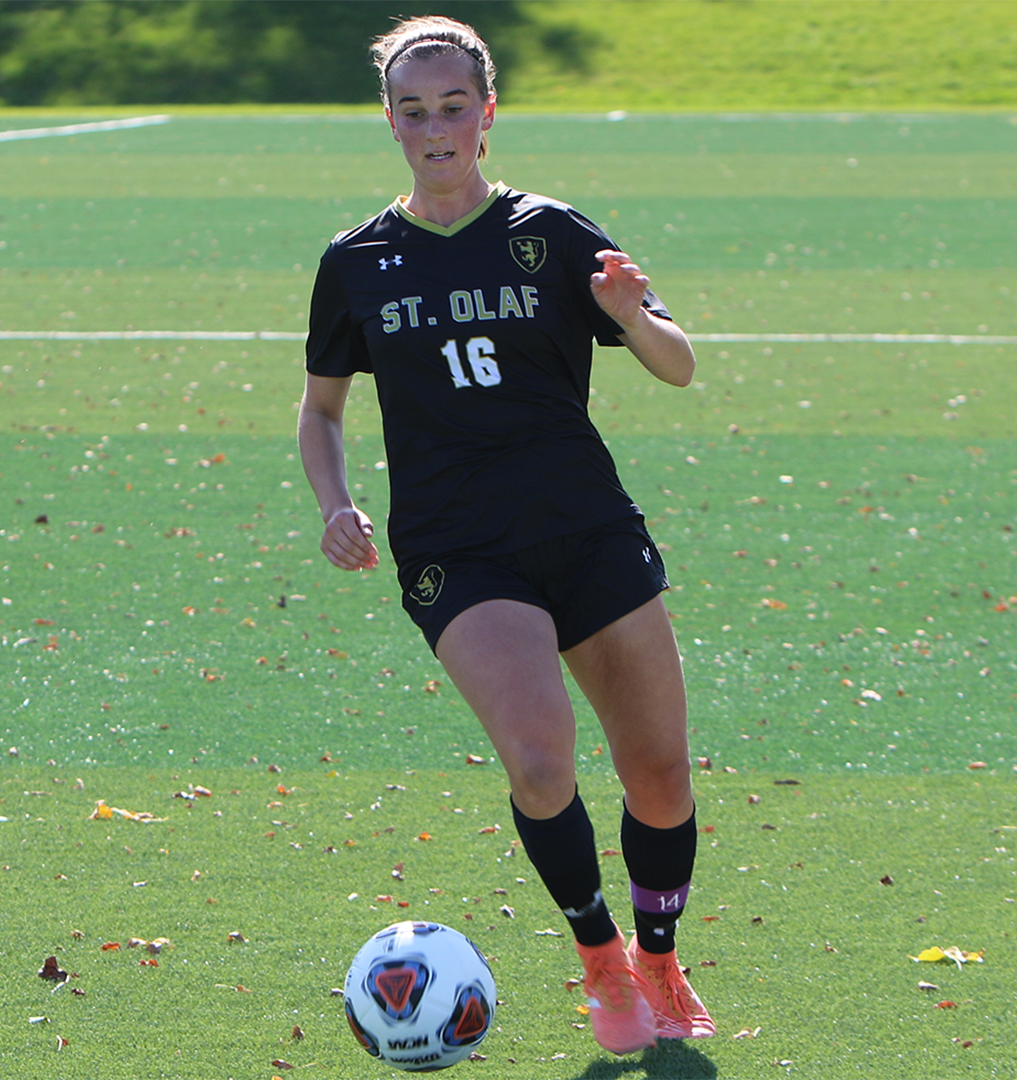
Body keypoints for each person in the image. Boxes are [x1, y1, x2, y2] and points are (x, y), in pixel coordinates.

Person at [300, 15, 714, 1056]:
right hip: (457, 547)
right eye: (412, 109)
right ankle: (600, 958)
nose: (433, 128)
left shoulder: (554, 232)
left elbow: (678, 364)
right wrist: (334, 503)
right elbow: (321, 411)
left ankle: (660, 955)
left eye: (452, 107)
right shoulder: (356, 263)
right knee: (540, 762)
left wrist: (631, 310)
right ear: (387, 120)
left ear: (486, 116)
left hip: (586, 524)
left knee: (659, 774)